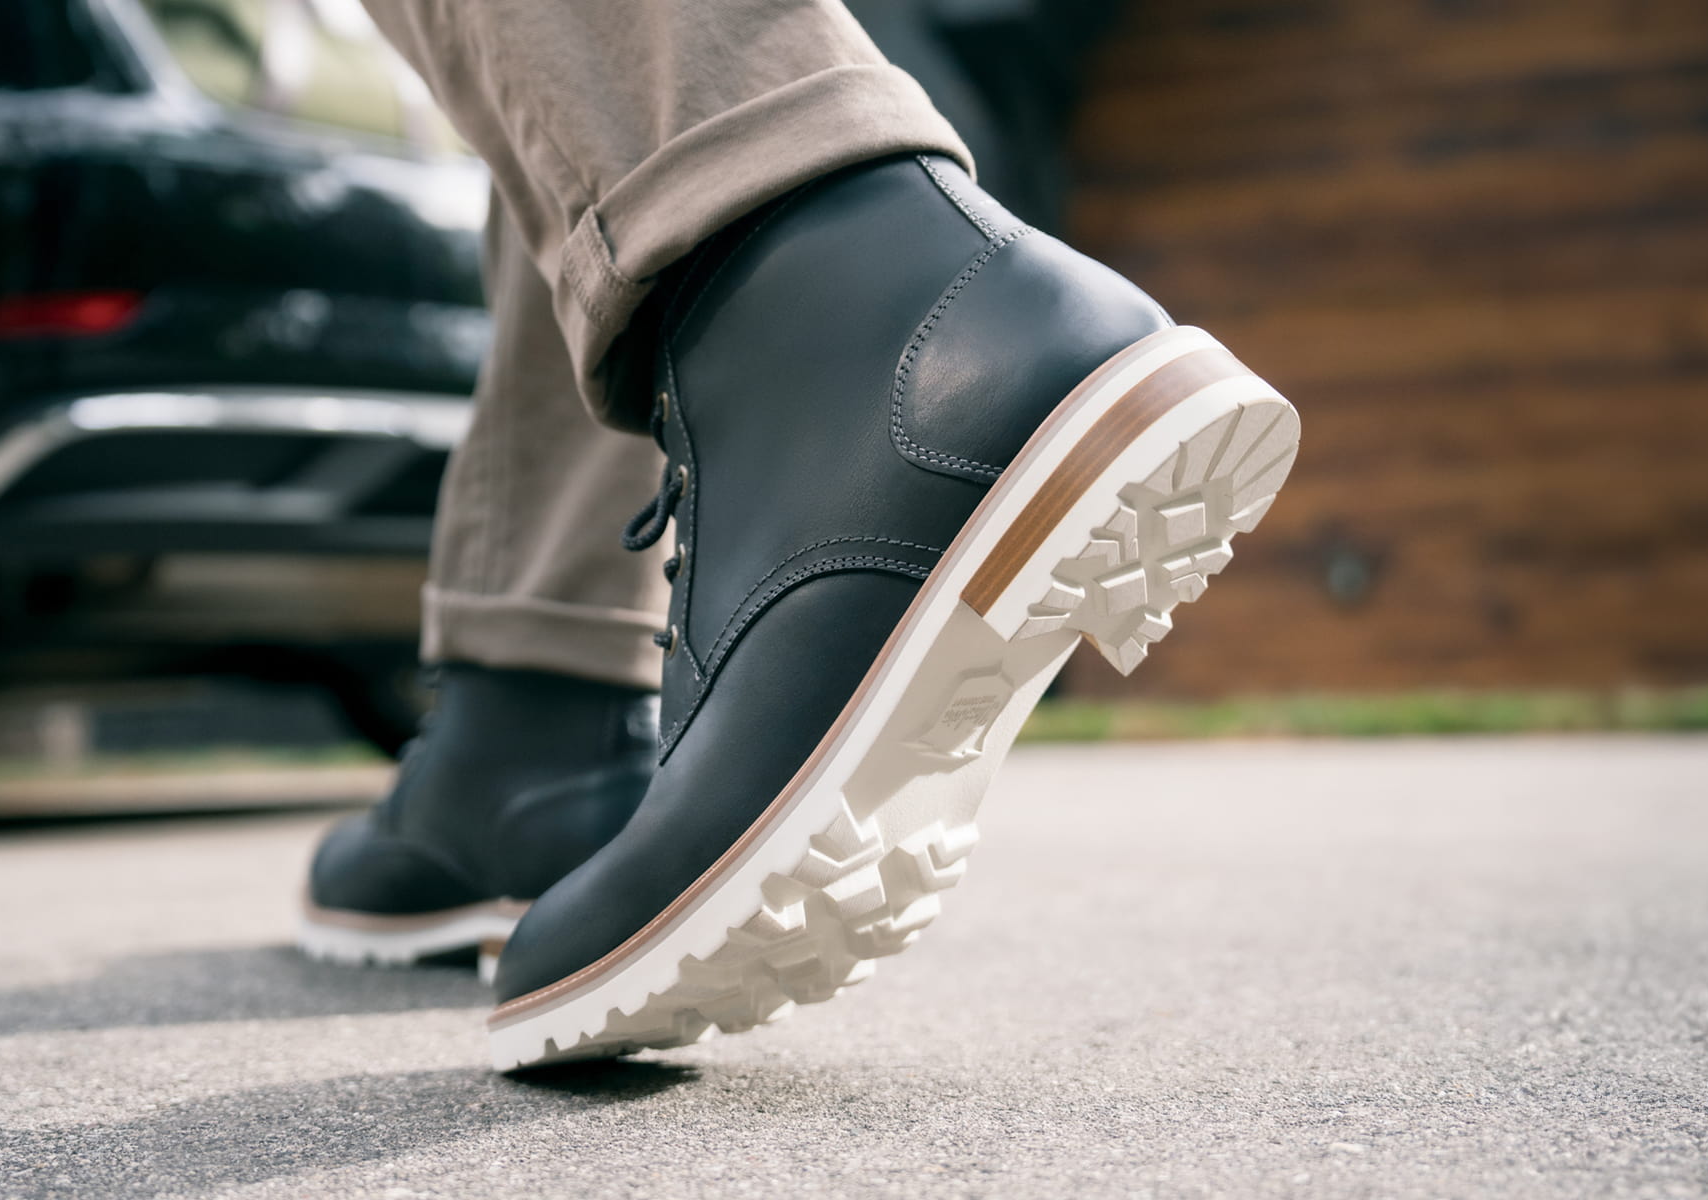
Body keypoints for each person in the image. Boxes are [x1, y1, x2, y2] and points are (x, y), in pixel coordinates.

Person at [300, 0, 1300, 1072]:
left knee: (641, 140)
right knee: (569, 121)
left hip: (882, 282)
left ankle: (851, 297)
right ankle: (536, 715)